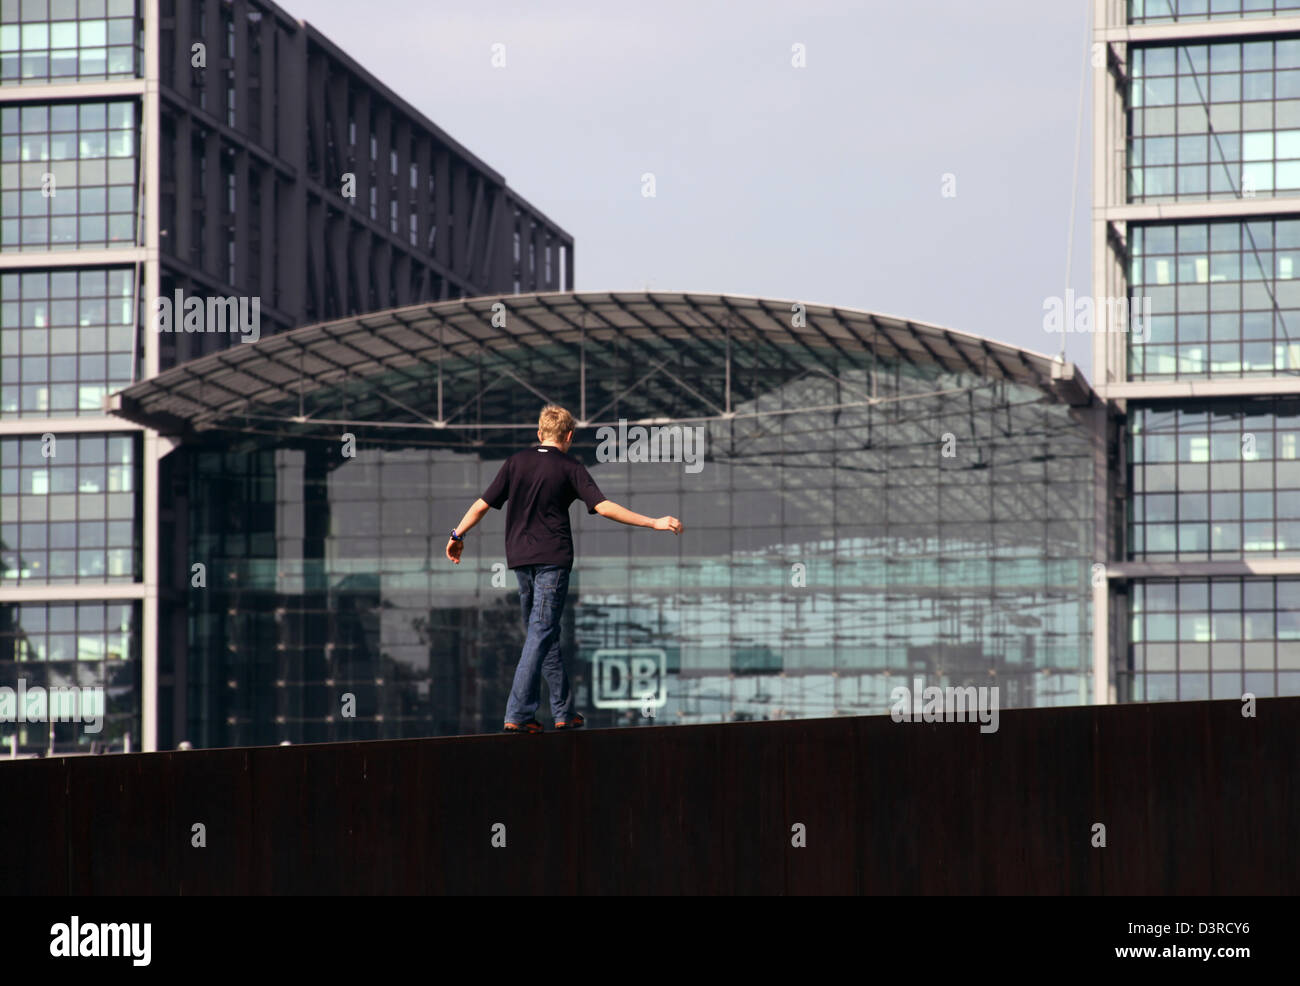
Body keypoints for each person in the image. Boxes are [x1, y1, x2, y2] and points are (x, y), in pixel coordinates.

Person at [446, 405, 684, 733]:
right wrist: (653, 522)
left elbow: (481, 505)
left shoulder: (516, 462)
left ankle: (563, 710)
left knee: (544, 633)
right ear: (569, 436)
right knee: (541, 632)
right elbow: (604, 507)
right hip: (552, 561)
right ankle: (517, 713)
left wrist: (457, 535)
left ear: (539, 433)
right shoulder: (570, 467)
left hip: (519, 559)